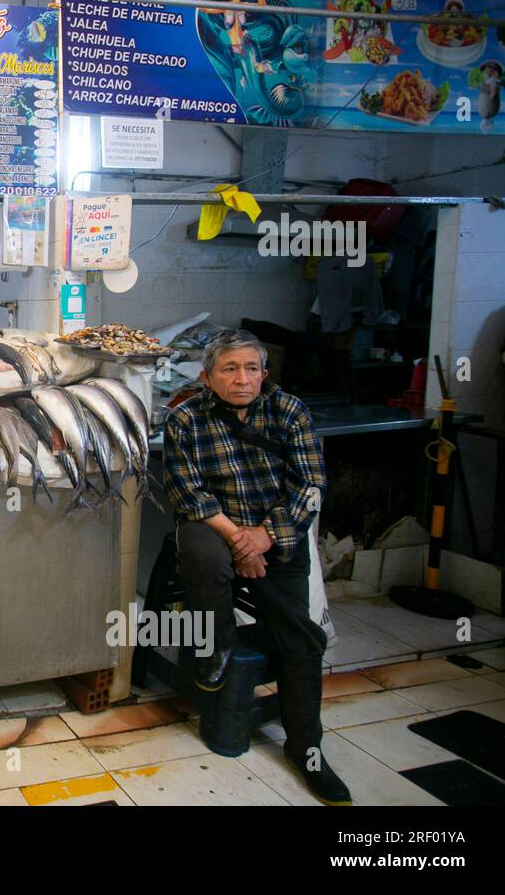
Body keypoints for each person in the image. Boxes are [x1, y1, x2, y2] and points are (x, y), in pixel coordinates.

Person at [162, 328, 350, 805]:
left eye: (250, 368)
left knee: (302, 637)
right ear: (206, 377)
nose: (241, 378)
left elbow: (309, 486)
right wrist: (239, 542)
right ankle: (218, 643)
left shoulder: (289, 412)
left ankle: (306, 748)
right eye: (229, 369)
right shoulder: (185, 418)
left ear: (265, 375)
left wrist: (264, 538)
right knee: (204, 556)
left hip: (276, 530)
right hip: (216, 524)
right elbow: (188, 492)